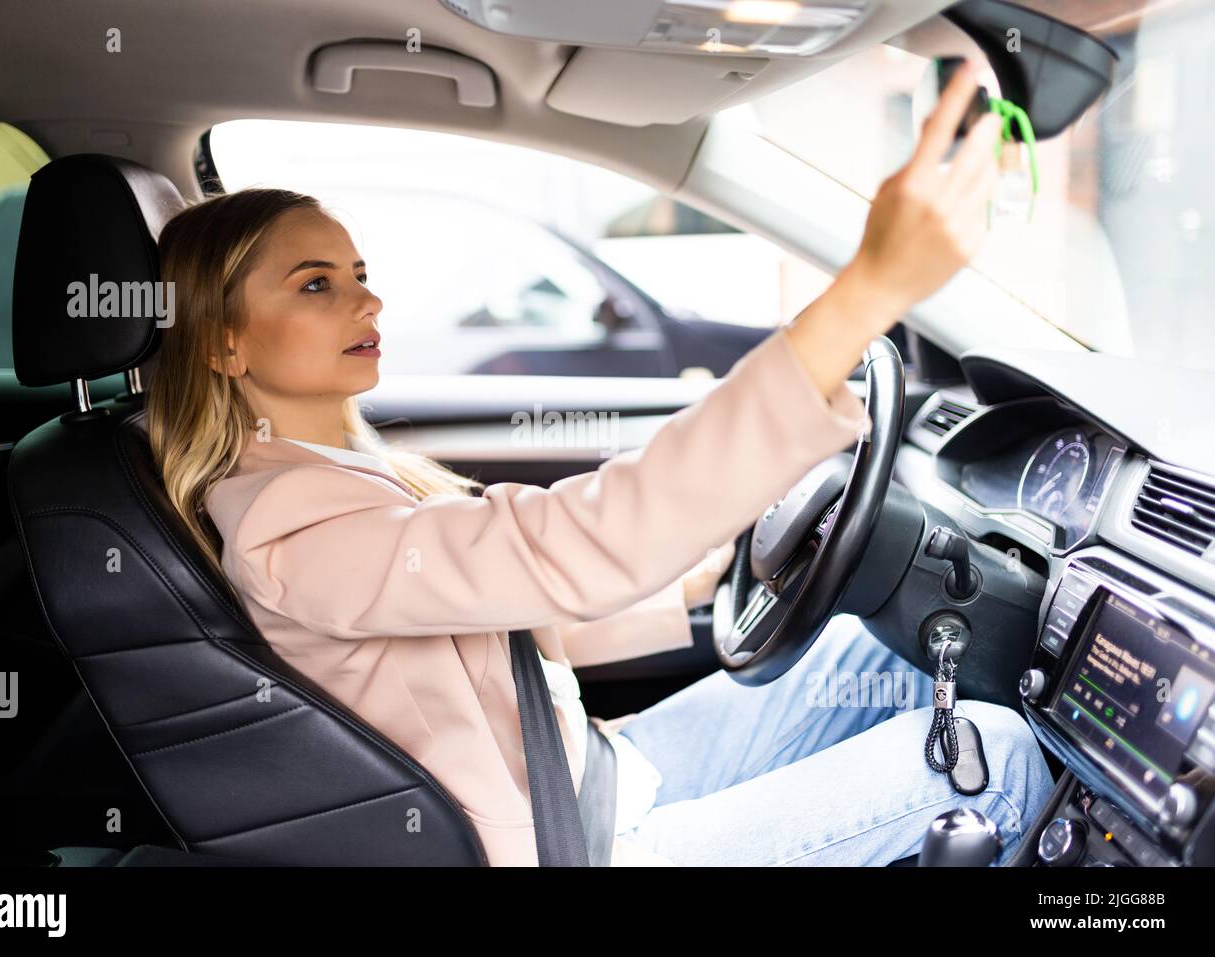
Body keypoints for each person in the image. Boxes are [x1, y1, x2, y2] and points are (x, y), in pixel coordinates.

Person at [144, 61, 1055, 866]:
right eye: (316, 284)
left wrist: (706, 581)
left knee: (872, 649)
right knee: (994, 761)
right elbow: (576, 541)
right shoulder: (288, 529)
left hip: (593, 774)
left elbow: (501, 620)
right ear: (224, 345)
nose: (368, 298)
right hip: (570, 844)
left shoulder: (327, 473)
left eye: (358, 271)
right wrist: (869, 289)